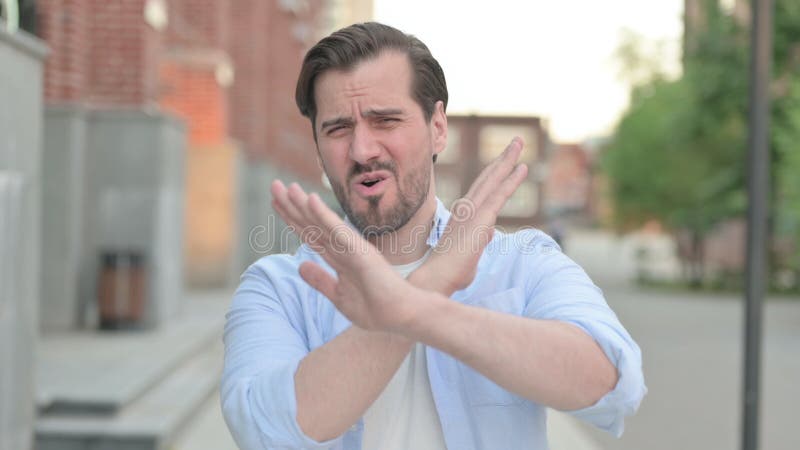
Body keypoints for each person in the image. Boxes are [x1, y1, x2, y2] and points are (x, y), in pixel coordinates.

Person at [221, 22, 646, 450]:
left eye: (385, 120)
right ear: (317, 147)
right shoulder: (278, 288)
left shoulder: (522, 260)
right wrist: (432, 284)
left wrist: (412, 307)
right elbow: (266, 434)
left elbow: (613, 385)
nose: (362, 149)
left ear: (438, 128)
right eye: (338, 129)